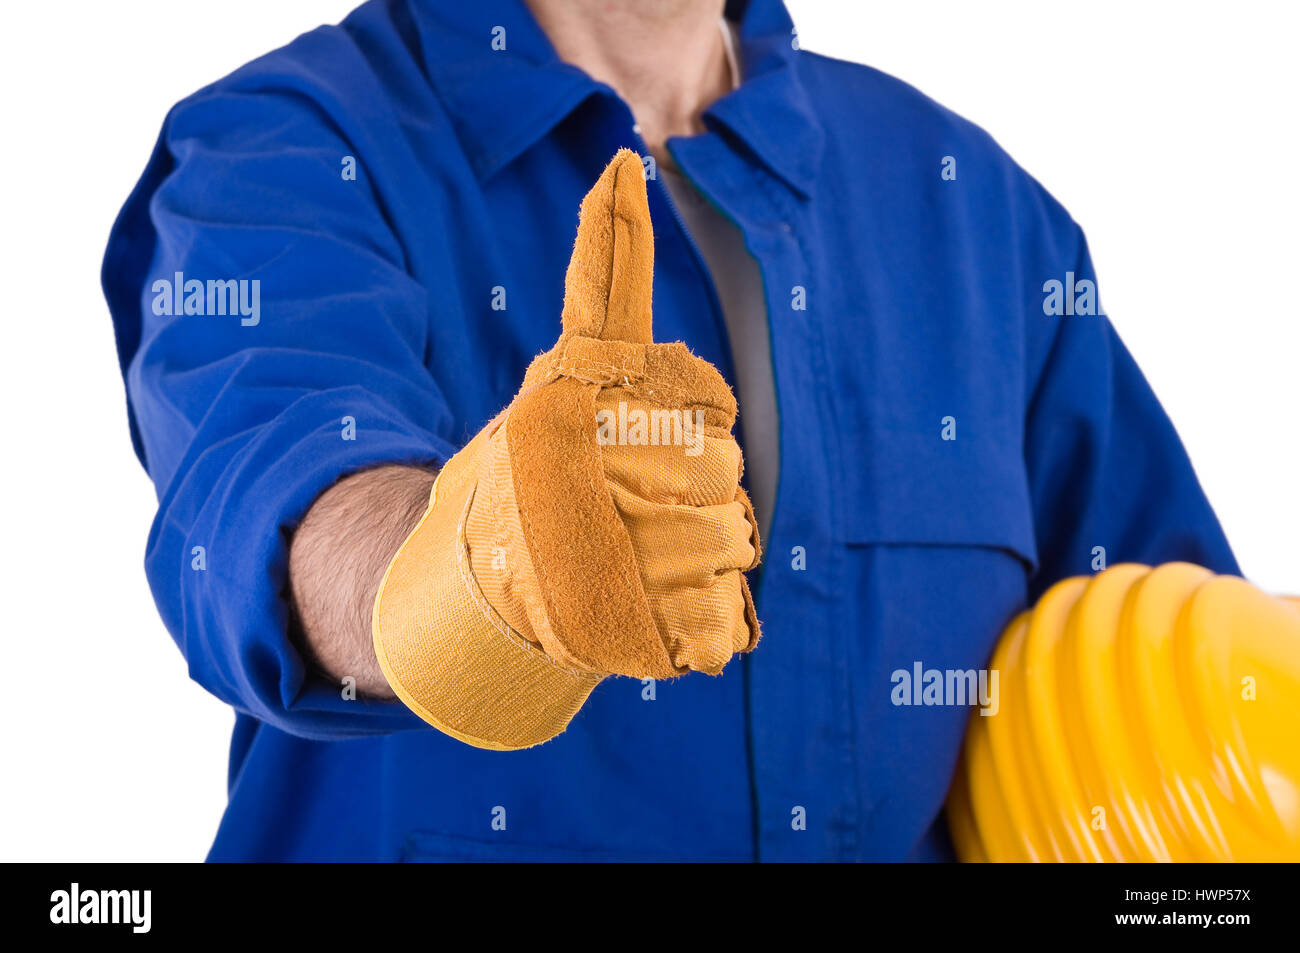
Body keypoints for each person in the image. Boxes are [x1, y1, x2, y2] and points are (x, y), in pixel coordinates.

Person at [102, 0, 1236, 861]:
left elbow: (1184, 674)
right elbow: (284, 501)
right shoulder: (284, 151)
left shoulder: (978, 208)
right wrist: (482, 572)